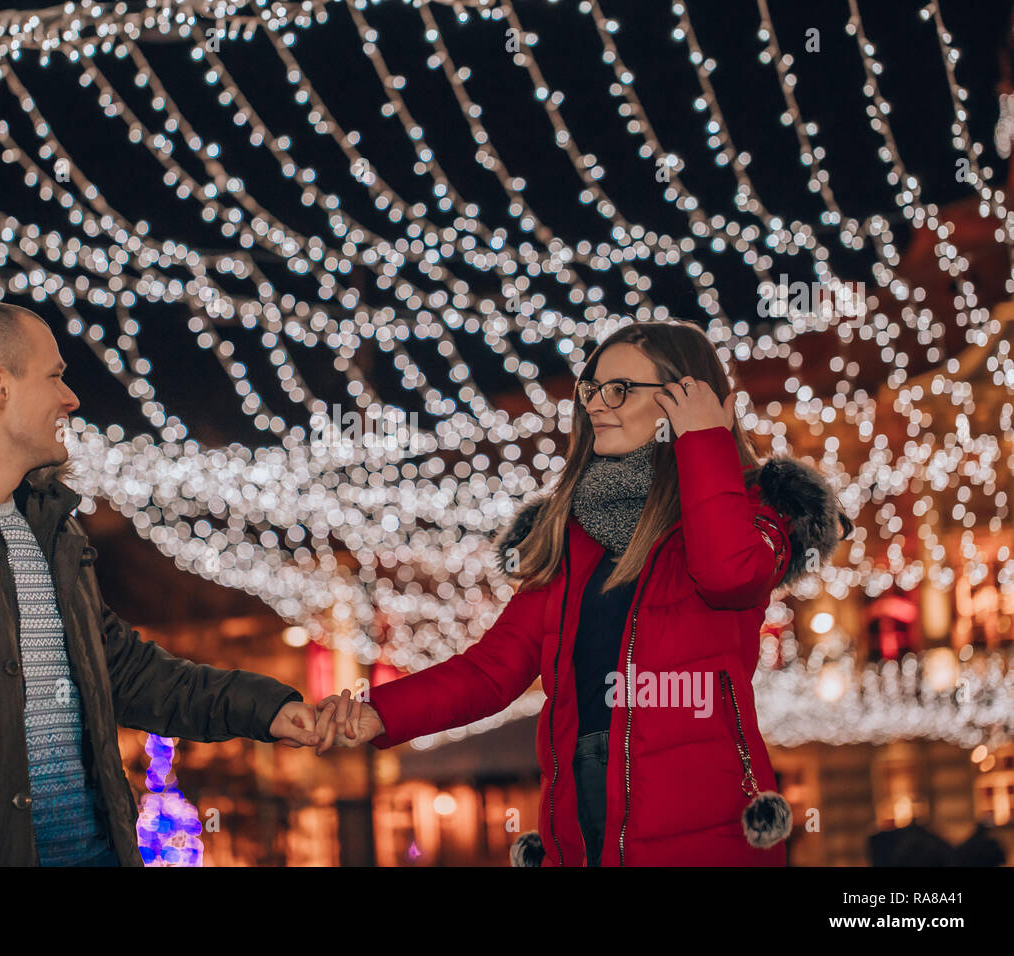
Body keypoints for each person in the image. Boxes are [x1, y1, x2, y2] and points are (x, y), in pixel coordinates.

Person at [0, 301, 326, 866]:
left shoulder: (52, 525)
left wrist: (264, 709)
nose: (70, 398)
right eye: (54, 376)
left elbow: (123, 670)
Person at [316, 320, 852, 866]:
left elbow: (729, 574)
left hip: (703, 824)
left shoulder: (755, 512)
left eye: (620, 389)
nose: (597, 403)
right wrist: (380, 713)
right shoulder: (570, 533)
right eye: (592, 388)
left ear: (689, 399)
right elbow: (493, 668)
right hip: (581, 816)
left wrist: (703, 440)